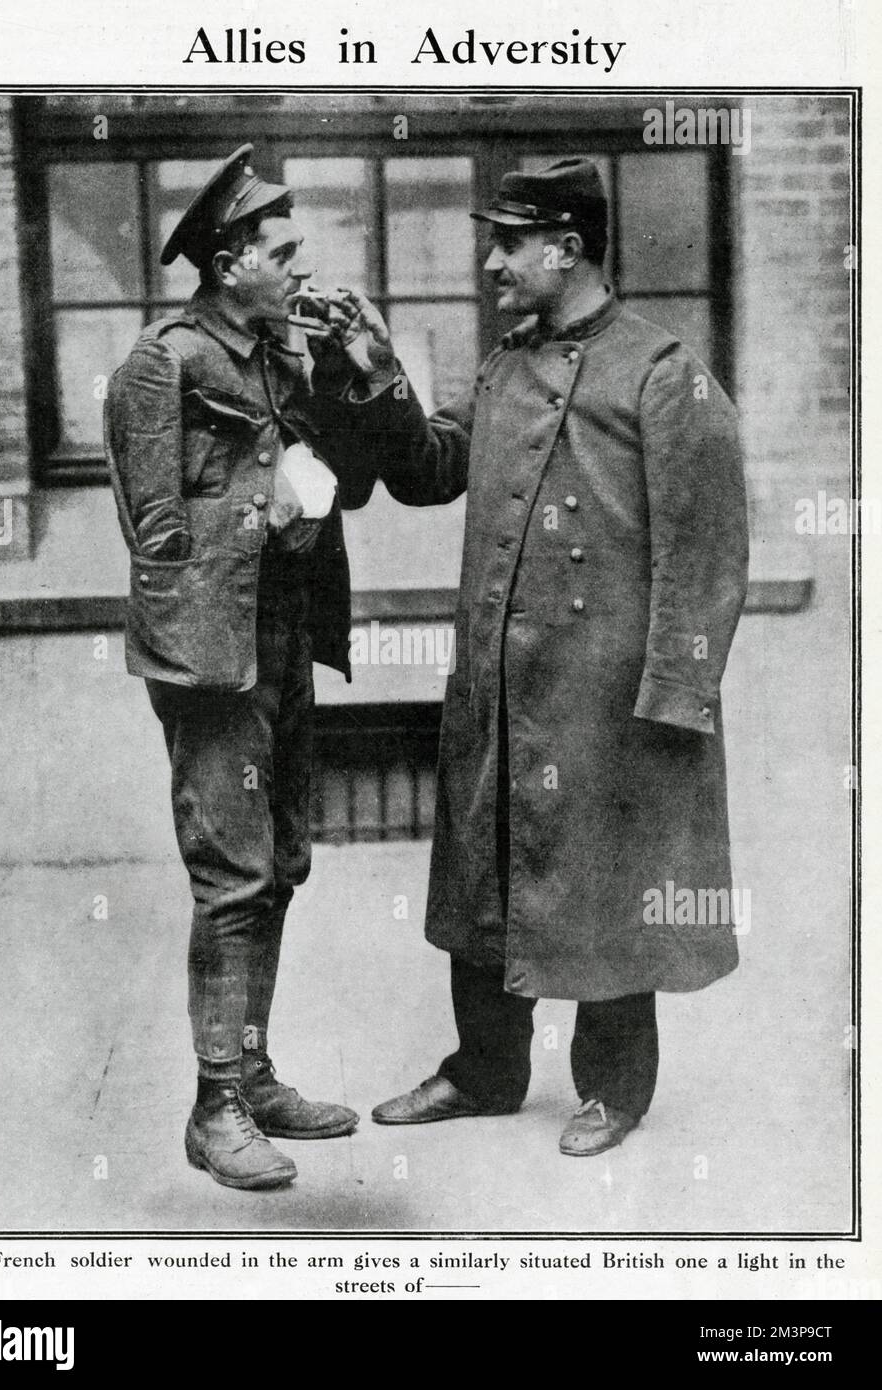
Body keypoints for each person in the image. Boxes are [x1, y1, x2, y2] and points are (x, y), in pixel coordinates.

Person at [308, 158, 749, 1157]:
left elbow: (709, 549)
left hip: (604, 696)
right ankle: (483, 1070)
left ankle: (614, 1087)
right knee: (480, 873)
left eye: (510, 241)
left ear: (567, 247)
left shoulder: (661, 371)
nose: (490, 260)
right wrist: (375, 368)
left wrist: (671, 696)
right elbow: (426, 471)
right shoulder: (504, 364)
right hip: (499, 685)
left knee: (612, 878)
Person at [103, 145, 372, 1190]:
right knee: (233, 877)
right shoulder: (161, 362)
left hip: (280, 641)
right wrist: (271, 508)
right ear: (227, 261)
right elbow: (156, 534)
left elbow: (333, 449)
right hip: (209, 653)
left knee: (284, 861)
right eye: (282, 250)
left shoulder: (277, 353)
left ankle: (251, 1072)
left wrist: (353, 367)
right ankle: (213, 1104)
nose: (299, 265)